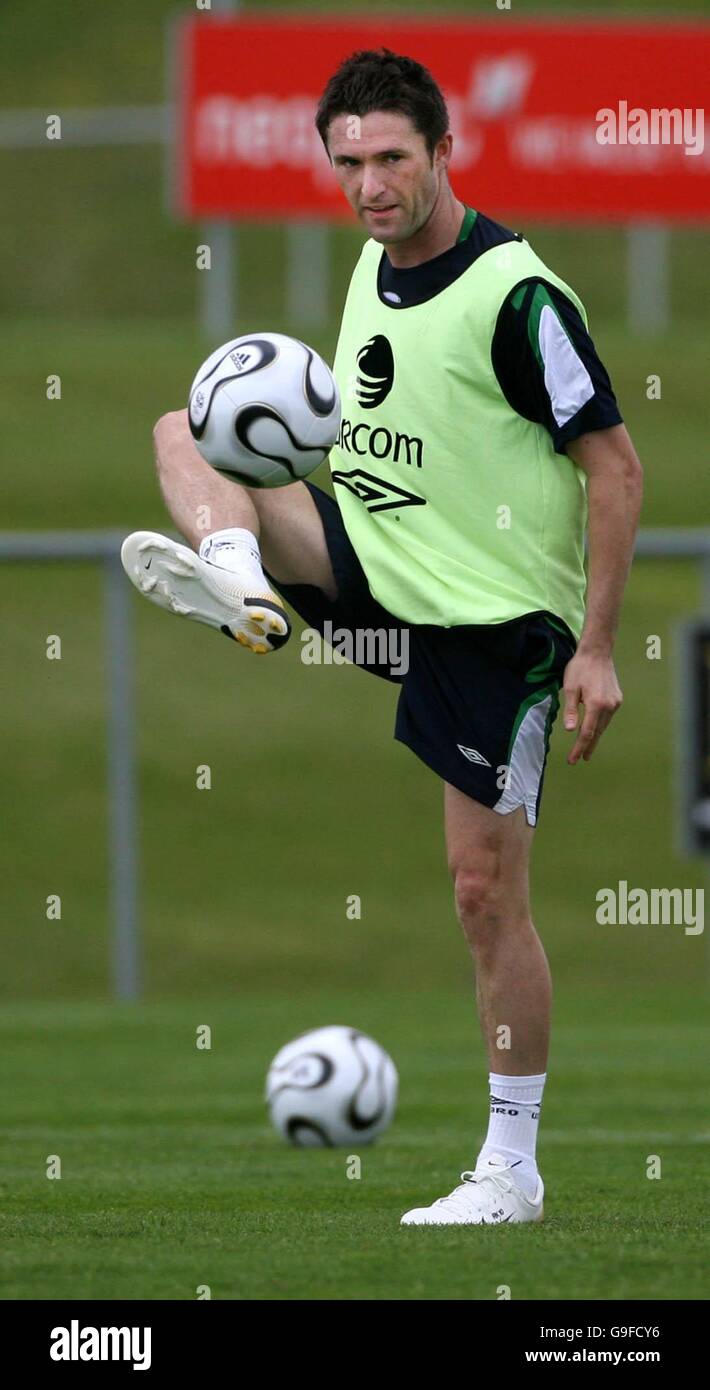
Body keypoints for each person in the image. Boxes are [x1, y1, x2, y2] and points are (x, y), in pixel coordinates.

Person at [121, 49, 643, 1226]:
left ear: (443, 150)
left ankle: (510, 1170)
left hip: (491, 624)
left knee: (479, 890)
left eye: (391, 158)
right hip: (371, 564)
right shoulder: (369, 266)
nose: (369, 184)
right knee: (183, 429)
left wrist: (596, 647)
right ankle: (235, 579)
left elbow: (612, 469)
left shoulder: (514, 296)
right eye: (348, 162)